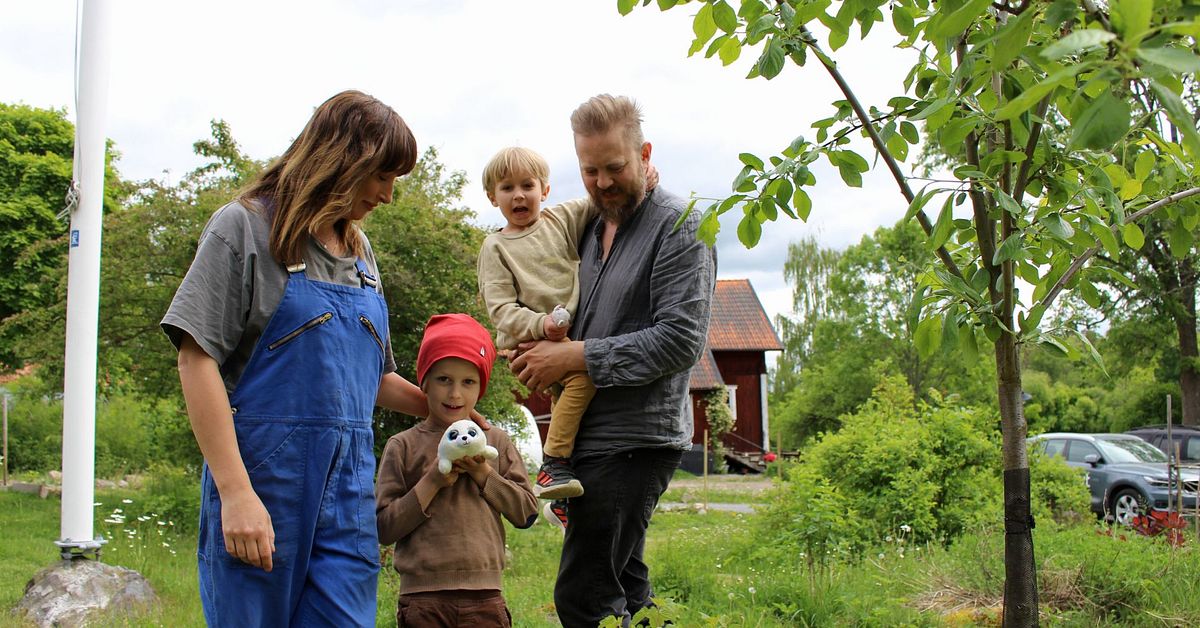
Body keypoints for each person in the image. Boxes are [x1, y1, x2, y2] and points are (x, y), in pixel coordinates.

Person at [162, 90, 473, 626]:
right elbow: (197, 360)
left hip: (350, 491)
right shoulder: (244, 228)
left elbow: (372, 379)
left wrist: (452, 413)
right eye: (382, 175)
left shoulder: (361, 254)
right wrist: (236, 493)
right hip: (265, 482)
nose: (388, 195)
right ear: (343, 158)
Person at [510, 94, 716, 627]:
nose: (602, 182)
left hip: (634, 439)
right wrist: (535, 345)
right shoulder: (586, 228)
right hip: (589, 439)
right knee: (625, 589)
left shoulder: (681, 225)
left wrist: (575, 355)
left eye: (615, 168)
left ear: (645, 154)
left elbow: (681, 340)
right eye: (589, 171)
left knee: (584, 598)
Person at [375, 313, 538, 627]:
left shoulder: (497, 442)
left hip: (486, 597)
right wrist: (433, 480)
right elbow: (385, 529)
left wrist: (484, 475)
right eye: (443, 379)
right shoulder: (403, 445)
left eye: (468, 382)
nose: (455, 394)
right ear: (423, 381)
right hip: (422, 601)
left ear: (481, 387)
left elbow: (527, 513)